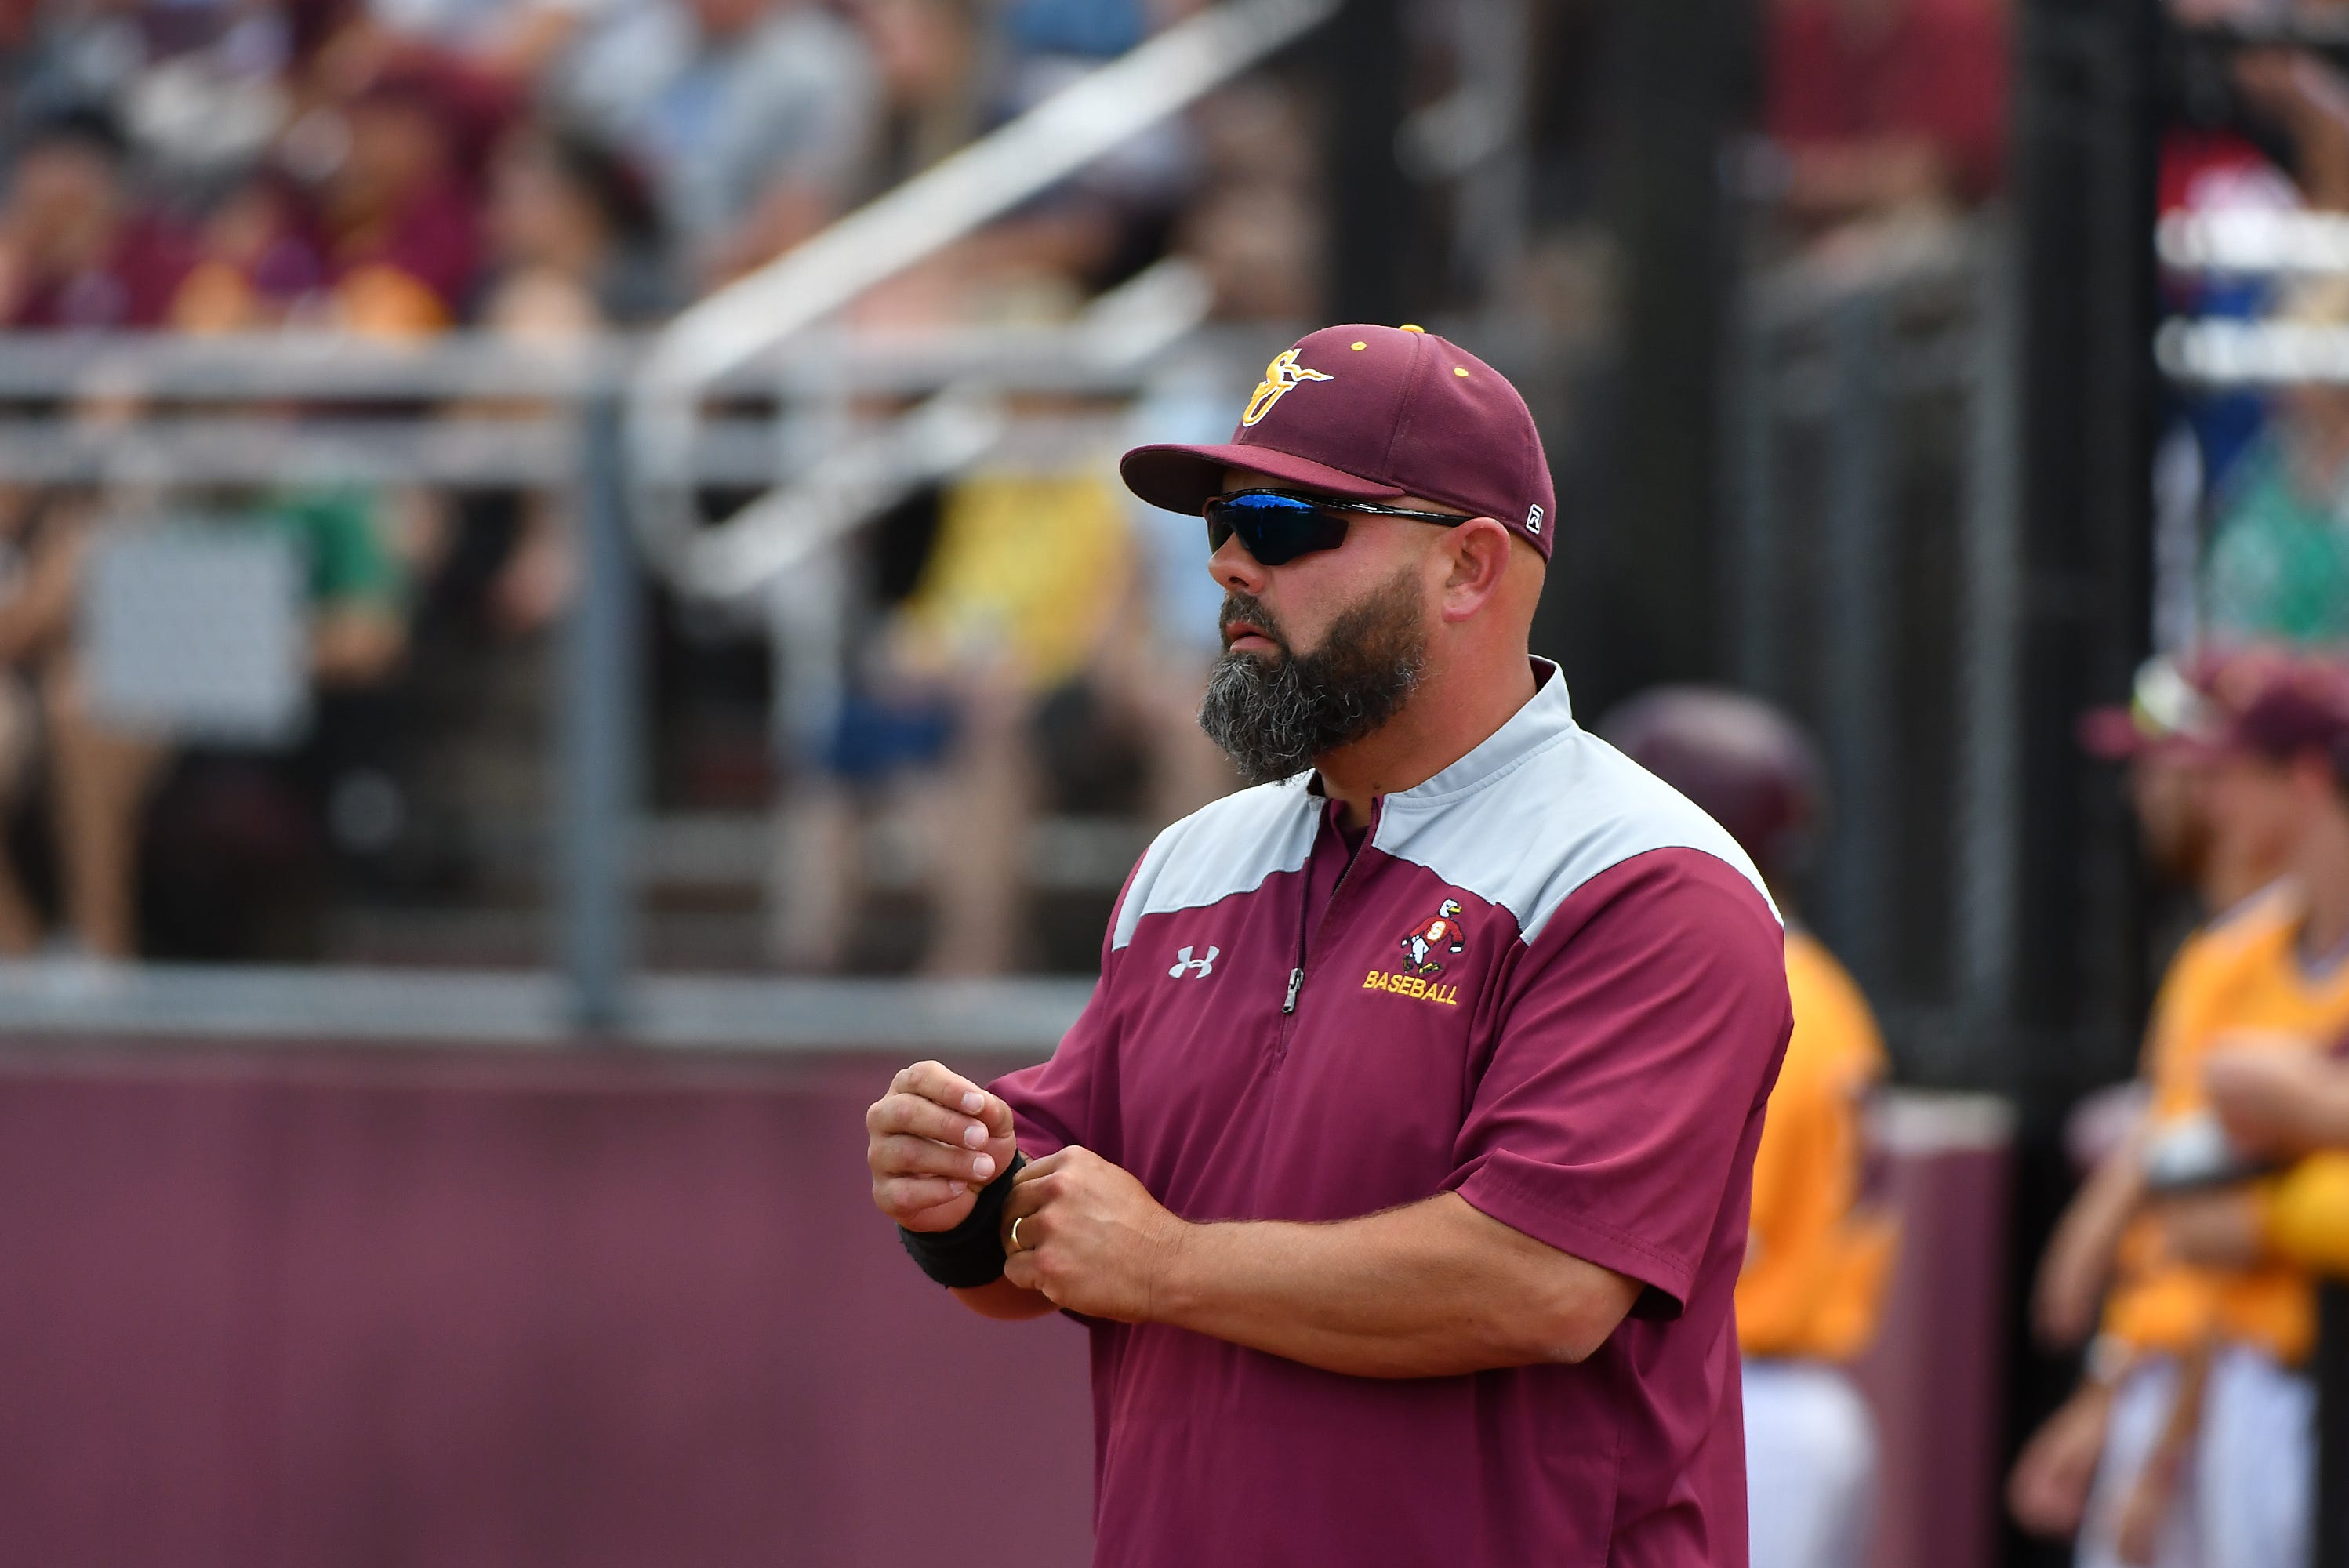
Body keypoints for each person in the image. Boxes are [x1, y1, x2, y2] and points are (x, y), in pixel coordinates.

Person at [866, 323, 1793, 1563]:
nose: (1232, 567)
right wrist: (958, 1196)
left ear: (1469, 567)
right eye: (1219, 525)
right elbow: (1037, 1249)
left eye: (1289, 522)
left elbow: (1544, 1283)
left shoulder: (1639, 875)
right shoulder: (1192, 865)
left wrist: (1169, 1267)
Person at [2011, 653, 2347, 1568]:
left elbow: (2225, 1221)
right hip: (2220, 1370)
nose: (2190, 793)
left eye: (2213, 770)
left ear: (2305, 776)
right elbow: (2188, 1192)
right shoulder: (2230, 958)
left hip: (2290, 1367)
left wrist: (2272, 1190)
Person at [1603, 687, 1895, 1568]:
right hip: (1788, 1400)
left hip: (1747, 1400)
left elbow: (1680, 1241)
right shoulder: (1815, 981)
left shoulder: (1746, 983)